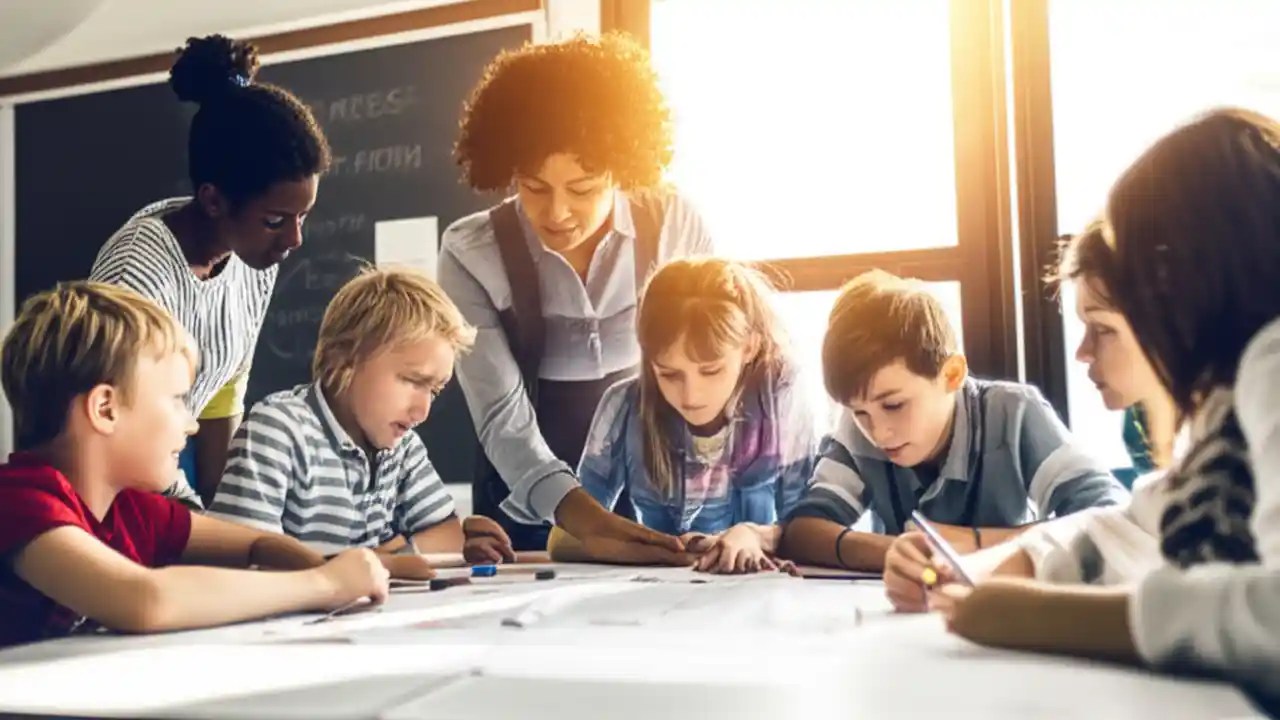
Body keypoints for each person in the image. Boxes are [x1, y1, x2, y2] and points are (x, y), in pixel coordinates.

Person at [929, 108, 1280, 710]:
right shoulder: (1223, 411)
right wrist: (981, 576)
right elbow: (1128, 525)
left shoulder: (1272, 360)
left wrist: (1052, 619)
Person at [439, 33, 713, 561]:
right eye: (533, 187)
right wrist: (583, 515)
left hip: (662, 485)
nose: (557, 213)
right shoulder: (471, 253)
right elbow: (502, 417)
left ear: (623, 166)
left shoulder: (675, 223)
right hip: (526, 500)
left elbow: (718, 361)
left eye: (583, 188)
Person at [0, 282, 387, 647]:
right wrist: (324, 584)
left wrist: (315, 565)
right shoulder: (20, 501)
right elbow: (145, 600)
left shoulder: (131, 510)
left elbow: (256, 543)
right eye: (177, 400)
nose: (192, 423)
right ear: (106, 408)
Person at [776, 270, 1128, 610]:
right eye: (859, 412)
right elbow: (804, 530)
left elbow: (1107, 514)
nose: (878, 432)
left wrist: (970, 544)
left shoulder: (1014, 413)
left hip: (1005, 611)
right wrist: (899, 552)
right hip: (908, 616)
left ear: (952, 374)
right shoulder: (859, 428)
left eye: (894, 405)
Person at [89, 34, 330, 507]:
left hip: (174, 461)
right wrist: (201, 524)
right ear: (214, 200)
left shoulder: (253, 258)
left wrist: (232, 517)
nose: (294, 240)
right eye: (276, 220)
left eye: (303, 217)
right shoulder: (138, 275)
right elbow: (119, 434)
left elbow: (223, 396)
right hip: (115, 485)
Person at [208, 268, 515, 570]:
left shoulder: (404, 447)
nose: (422, 412)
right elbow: (243, 565)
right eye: (412, 380)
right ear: (345, 360)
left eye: (434, 391)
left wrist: (416, 550)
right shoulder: (278, 430)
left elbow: (445, 538)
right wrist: (390, 553)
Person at [548, 258, 816, 572]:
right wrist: (662, 551)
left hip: (756, 592)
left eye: (711, 371)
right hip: (658, 595)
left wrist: (756, 536)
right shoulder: (622, 406)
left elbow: (809, 529)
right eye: (669, 374)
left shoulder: (780, 395)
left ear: (749, 348)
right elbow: (564, 539)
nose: (691, 396)